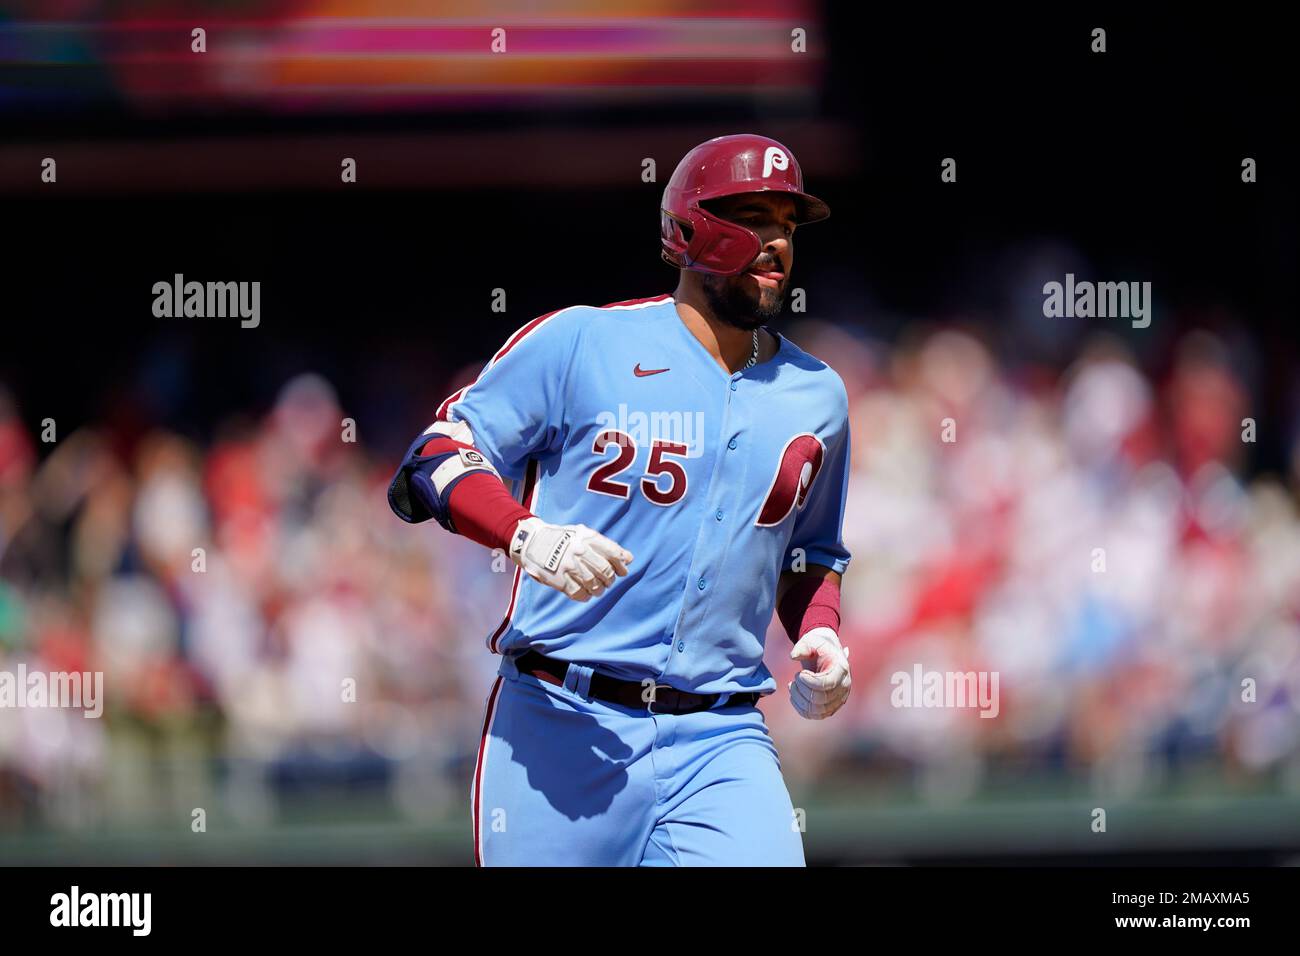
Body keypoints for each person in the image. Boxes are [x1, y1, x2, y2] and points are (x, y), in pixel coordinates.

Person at [389, 133, 853, 866]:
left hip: (721, 738)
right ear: (689, 229)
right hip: (560, 722)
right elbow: (434, 457)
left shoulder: (816, 395)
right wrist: (525, 535)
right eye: (753, 215)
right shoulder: (582, 343)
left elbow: (812, 551)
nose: (776, 241)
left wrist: (818, 629)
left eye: (788, 224)